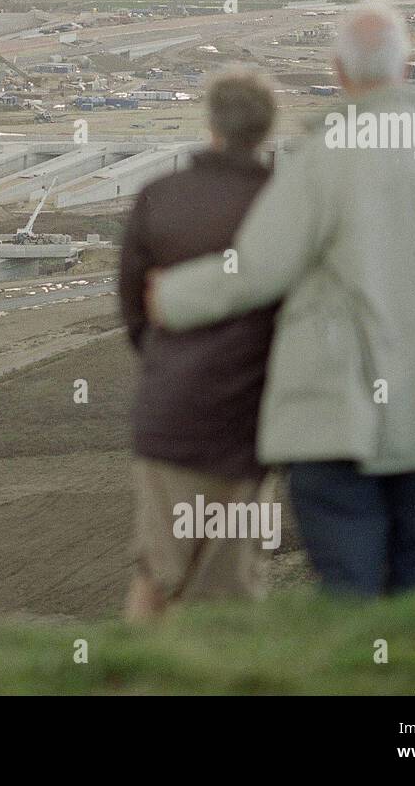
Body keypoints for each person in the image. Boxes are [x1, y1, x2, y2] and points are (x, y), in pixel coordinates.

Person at [148, 0, 415, 597]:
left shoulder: (324, 158)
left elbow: (256, 269)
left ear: (339, 70)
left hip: (338, 424)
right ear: (408, 66)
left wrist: (170, 297)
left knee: (351, 597)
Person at [118, 70, 281, 620]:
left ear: (211, 124)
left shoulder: (158, 197)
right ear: (266, 130)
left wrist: (172, 364)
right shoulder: (283, 204)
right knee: (233, 583)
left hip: (172, 414)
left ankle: (135, 679)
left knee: (158, 573)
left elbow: (135, 312)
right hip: (255, 419)